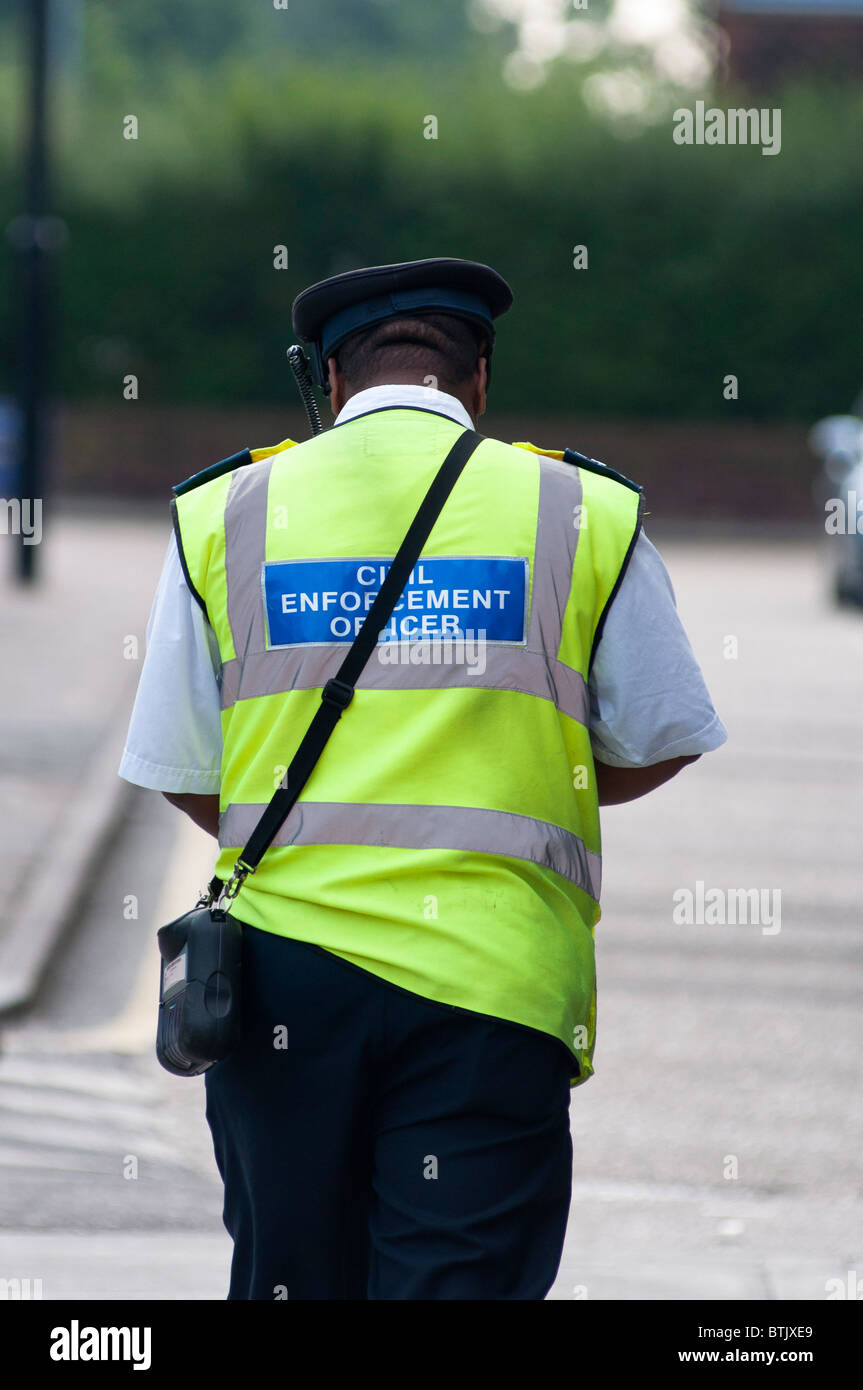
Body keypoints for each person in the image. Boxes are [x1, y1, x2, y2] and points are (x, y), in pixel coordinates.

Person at [119, 257, 727, 1300]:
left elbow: (180, 760)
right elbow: (661, 731)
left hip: (282, 982)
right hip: (493, 984)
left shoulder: (223, 513)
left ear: (329, 381)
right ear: (478, 380)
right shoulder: (580, 509)